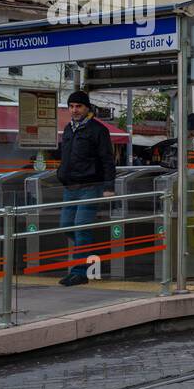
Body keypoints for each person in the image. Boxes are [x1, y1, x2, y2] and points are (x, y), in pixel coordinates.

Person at [56, 90, 115, 286]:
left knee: (81, 229)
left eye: (78, 106)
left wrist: (109, 187)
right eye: (71, 106)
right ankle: (89, 253)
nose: (74, 110)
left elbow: (108, 160)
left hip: (91, 186)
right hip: (70, 187)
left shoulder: (98, 130)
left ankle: (80, 272)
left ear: (87, 107)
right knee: (66, 226)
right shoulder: (68, 129)